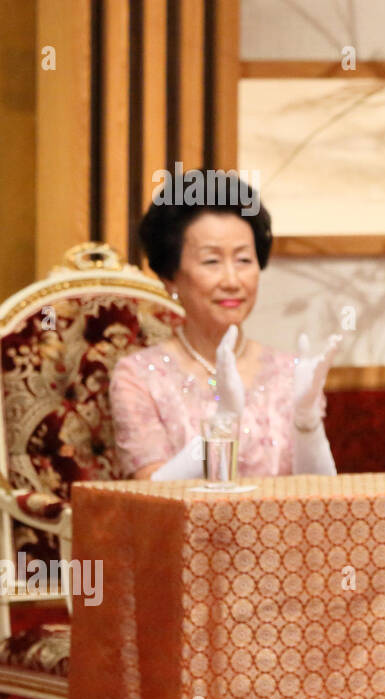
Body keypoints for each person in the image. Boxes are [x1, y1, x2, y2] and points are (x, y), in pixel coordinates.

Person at [110, 180, 341, 480]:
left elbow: (318, 493)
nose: (232, 280)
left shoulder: (290, 373)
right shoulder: (138, 377)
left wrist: (307, 423)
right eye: (212, 261)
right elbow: (153, 495)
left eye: (244, 260)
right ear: (170, 277)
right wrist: (223, 422)